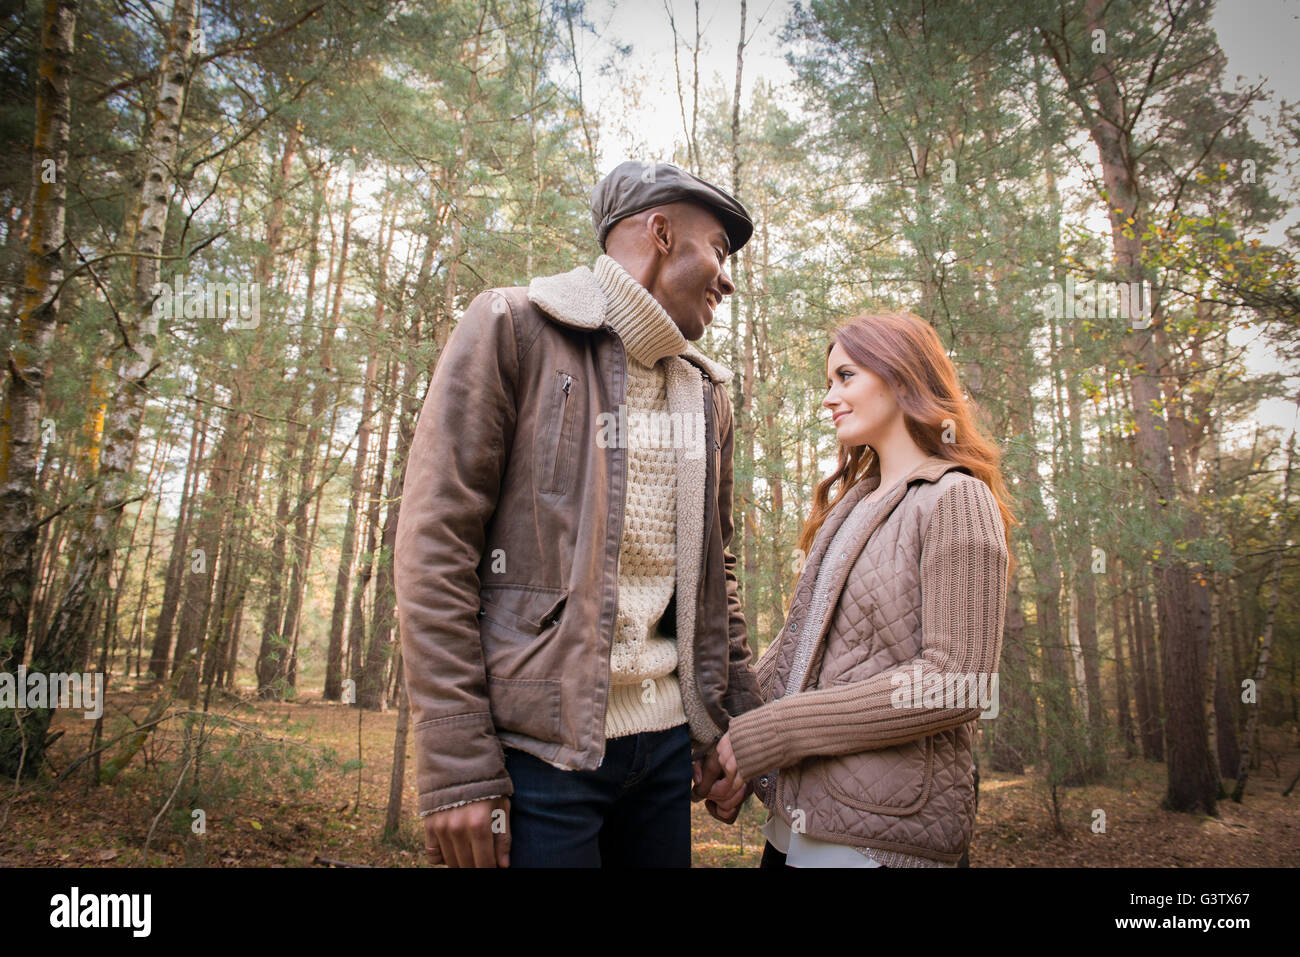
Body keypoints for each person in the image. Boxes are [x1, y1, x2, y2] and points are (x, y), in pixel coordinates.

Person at [394, 160, 762, 868]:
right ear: (660, 232)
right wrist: (457, 763)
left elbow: (717, 576)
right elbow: (434, 551)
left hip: (662, 759)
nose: (728, 276)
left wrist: (733, 723)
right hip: (535, 760)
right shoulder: (513, 326)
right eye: (718, 248)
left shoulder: (707, 394)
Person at [703, 311, 1014, 867]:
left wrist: (775, 732)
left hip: (881, 840)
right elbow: (797, 655)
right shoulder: (853, 505)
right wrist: (731, 742)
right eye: (828, 382)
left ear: (901, 375)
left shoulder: (956, 500)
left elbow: (959, 680)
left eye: (845, 377)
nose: (829, 397)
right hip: (792, 831)